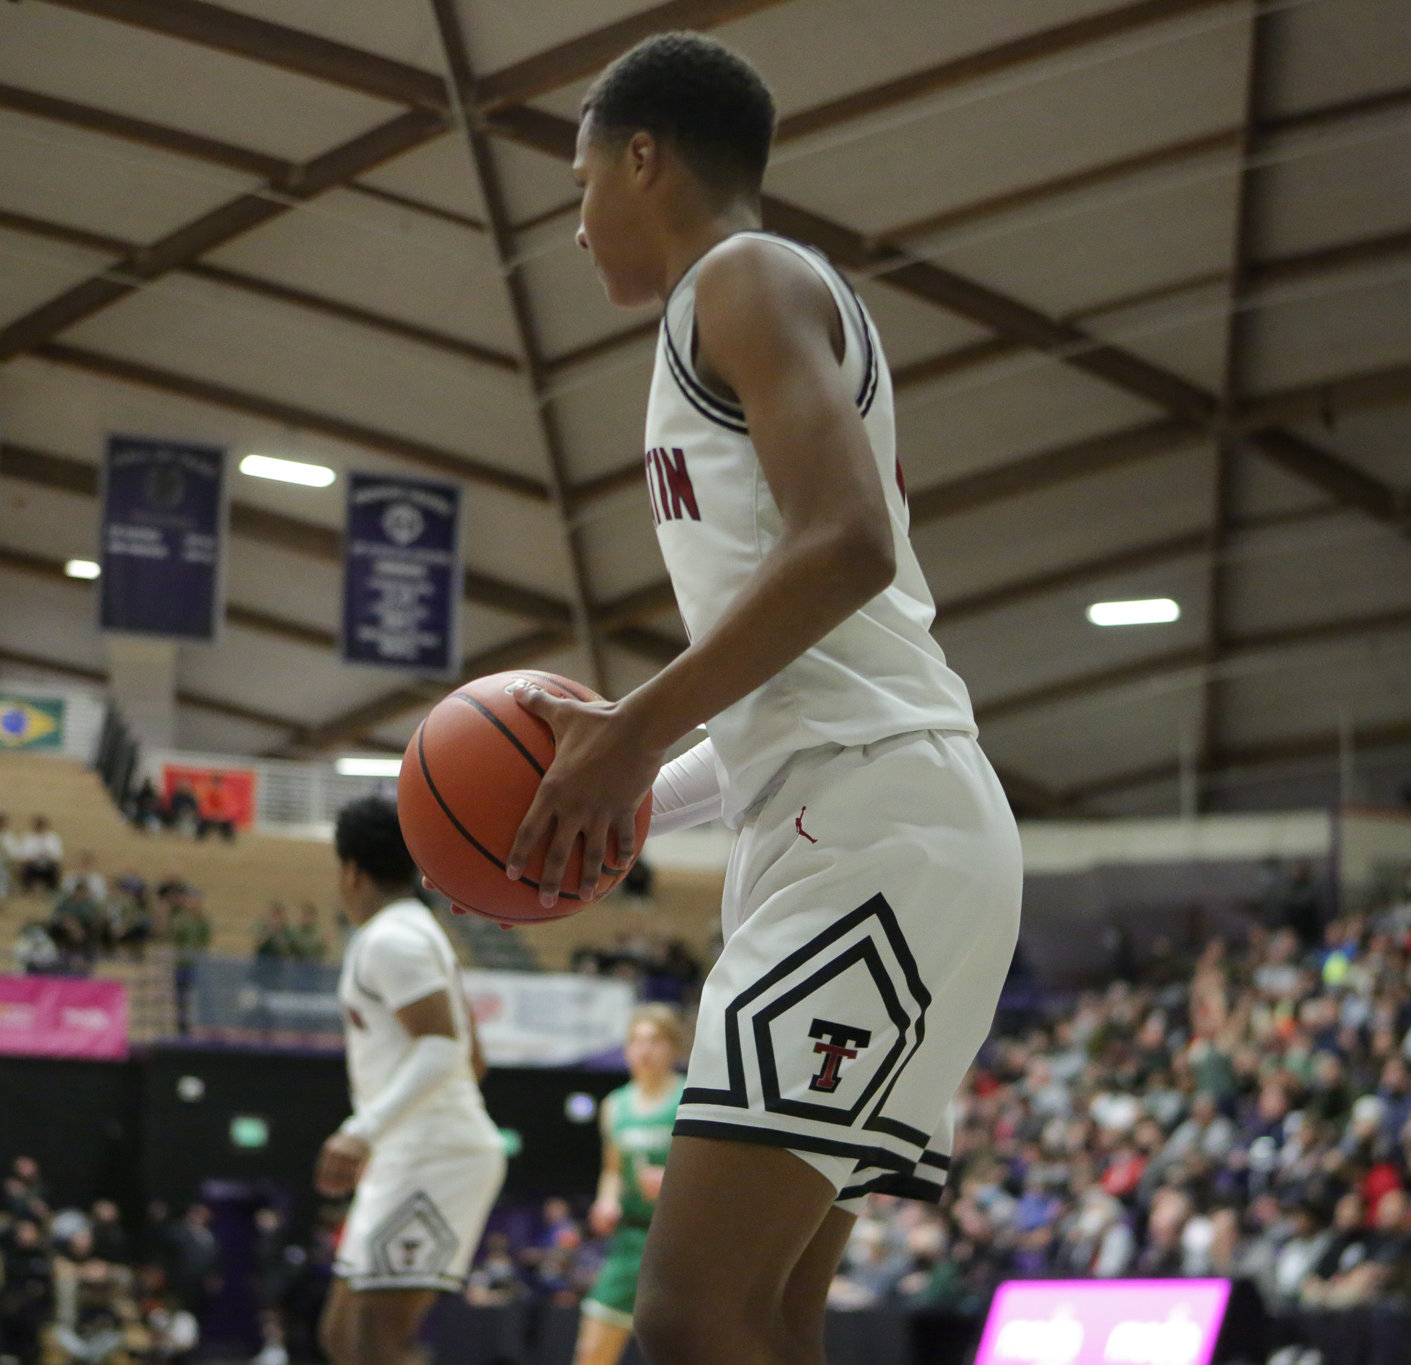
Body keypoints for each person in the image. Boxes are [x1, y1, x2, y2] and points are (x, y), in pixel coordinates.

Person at [494, 35, 1020, 1365]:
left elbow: (851, 543)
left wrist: (628, 733)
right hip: (854, 819)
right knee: (766, 1316)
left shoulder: (742, 275)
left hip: (876, 834)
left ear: (644, 156)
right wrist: (605, 801)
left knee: (685, 1320)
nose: (573, 224)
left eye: (579, 183)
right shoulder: (728, 310)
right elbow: (793, 677)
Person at [313, 797, 505, 1365]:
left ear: (349, 871)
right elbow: (474, 1056)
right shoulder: (420, 932)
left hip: (434, 1153)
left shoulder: (390, 939)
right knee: (344, 1339)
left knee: (376, 1345)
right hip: (414, 1149)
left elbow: (446, 1046)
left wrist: (364, 1129)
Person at [575, 1006, 684, 1365]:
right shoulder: (615, 1105)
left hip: (678, 1244)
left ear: (673, 1048)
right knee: (591, 1353)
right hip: (629, 1240)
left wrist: (672, 1183)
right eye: (636, 1041)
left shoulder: (689, 1099)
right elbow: (612, 1170)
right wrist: (606, 1201)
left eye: (655, 1041)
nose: (644, 1050)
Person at [16, 815, 63, 895]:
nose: (40, 827)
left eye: (42, 825)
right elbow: (22, 854)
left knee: (55, 869)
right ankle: (25, 891)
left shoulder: (52, 838)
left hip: (48, 864)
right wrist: (34, 856)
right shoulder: (28, 837)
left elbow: (58, 855)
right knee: (24, 869)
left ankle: (52, 892)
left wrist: (47, 854)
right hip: (32, 864)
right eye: (38, 825)